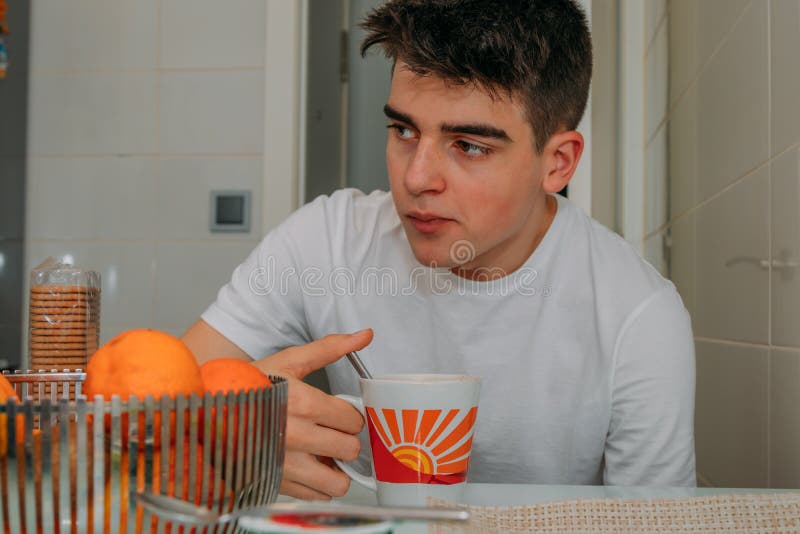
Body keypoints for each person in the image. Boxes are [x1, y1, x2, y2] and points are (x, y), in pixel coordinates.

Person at [183, 0, 696, 500]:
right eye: (403, 130)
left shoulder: (637, 314)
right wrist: (229, 422)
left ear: (557, 163)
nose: (416, 178)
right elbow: (150, 397)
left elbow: (654, 521)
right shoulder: (325, 240)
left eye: (469, 145)